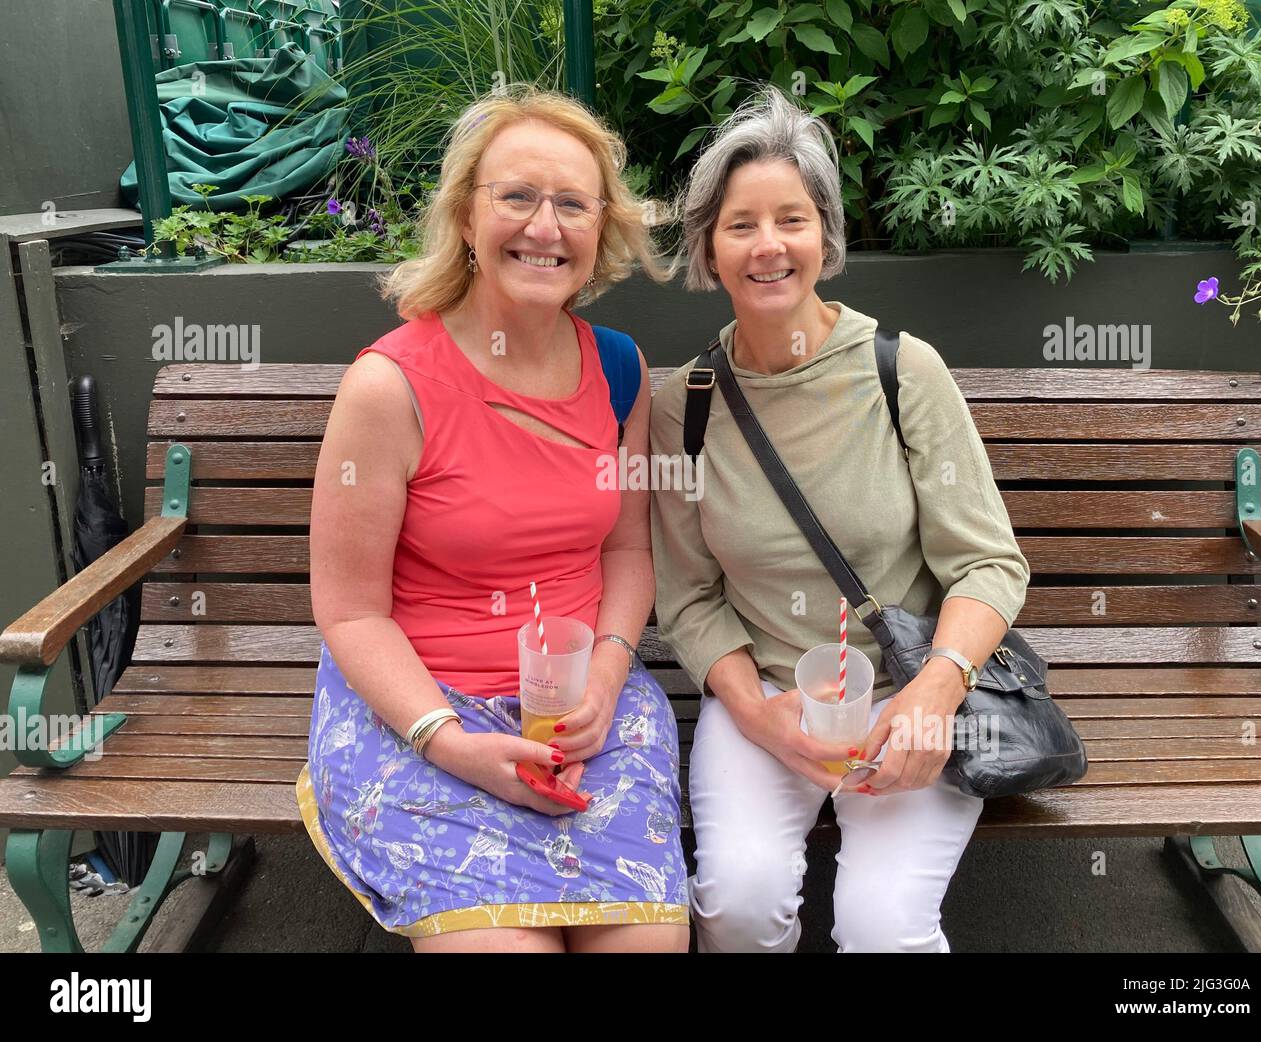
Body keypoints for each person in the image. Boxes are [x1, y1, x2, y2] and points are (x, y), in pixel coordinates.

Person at [297, 84, 689, 952]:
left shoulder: (617, 368)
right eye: (516, 196)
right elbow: (351, 609)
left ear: (602, 230)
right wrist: (448, 742)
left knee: (646, 947)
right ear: (466, 218)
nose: (544, 227)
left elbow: (627, 549)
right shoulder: (390, 385)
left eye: (572, 204)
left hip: (589, 709)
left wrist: (610, 674)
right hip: (419, 712)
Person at [649, 86, 1031, 953]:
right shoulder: (687, 408)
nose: (769, 245)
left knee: (882, 929)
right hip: (767, 701)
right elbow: (689, 597)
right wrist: (756, 713)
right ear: (710, 244)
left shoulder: (903, 372)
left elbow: (987, 564)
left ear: (825, 233)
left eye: (792, 218)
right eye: (741, 223)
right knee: (737, 905)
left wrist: (937, 691)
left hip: (905, 689)